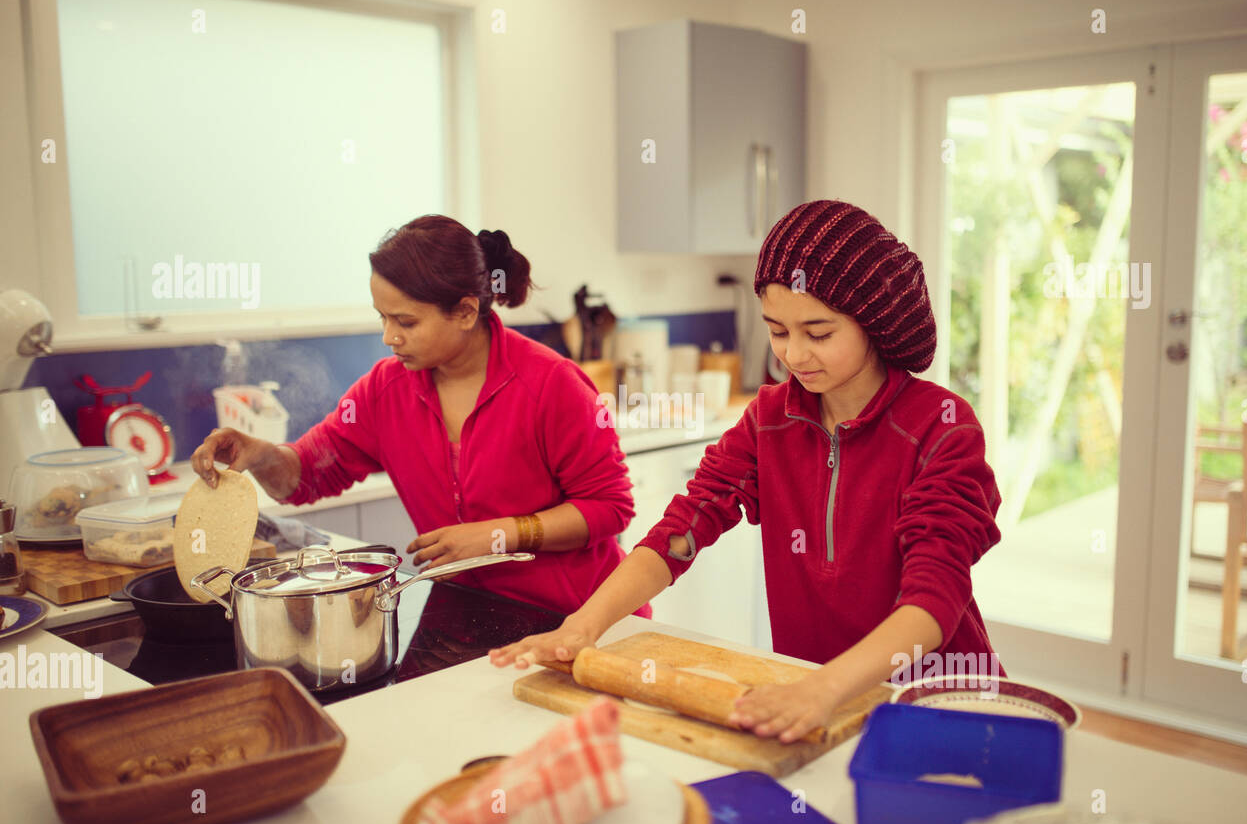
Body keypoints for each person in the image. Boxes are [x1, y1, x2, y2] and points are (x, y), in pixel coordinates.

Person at [490, 200, 1003, 740]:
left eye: (818, 333)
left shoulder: (941, 428)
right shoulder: (769, 419)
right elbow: (682, 530)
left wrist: (825, 689)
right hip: (812, 701)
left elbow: (935, 598)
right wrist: (582, 626)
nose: (793, 355)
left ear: (874, 321)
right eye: (778, 331)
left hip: (939, 706)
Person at [191, 215, 649, 619]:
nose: (389, 337)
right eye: (383, 318)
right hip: (468, 613)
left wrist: (499, 535)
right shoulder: (384, 390)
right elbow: (308, 473)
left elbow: (610, 508)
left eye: (406, 322)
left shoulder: (552, 385)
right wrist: (261, 455)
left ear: (465, 311)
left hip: (582, 616)